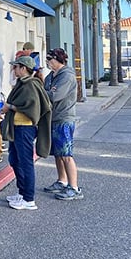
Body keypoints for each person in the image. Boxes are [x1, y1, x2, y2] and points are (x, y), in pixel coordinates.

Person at [1, 56, 52, 210]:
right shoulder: (23, 83)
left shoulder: (30, 85)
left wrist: (10, 107)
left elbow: (32, 109)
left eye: (16, 67)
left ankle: (29, 199)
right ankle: (22, 192)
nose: (14, 69)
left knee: (26, 163)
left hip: (24, 128)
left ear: (23, 68)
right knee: (15, 160)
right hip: (17, 127)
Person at [43, 47, 83, 201]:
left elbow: (54, 95)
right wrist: (47, 92)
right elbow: (47, 91)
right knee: (58, 154)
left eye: (50, 59)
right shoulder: (51, 76)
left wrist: (46, 92)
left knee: (66, 154)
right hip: (53, 118)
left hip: (64, 119)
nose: (48, 62)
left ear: (58, 59)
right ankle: (62, 180)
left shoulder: (66, 76)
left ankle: (74, 188)